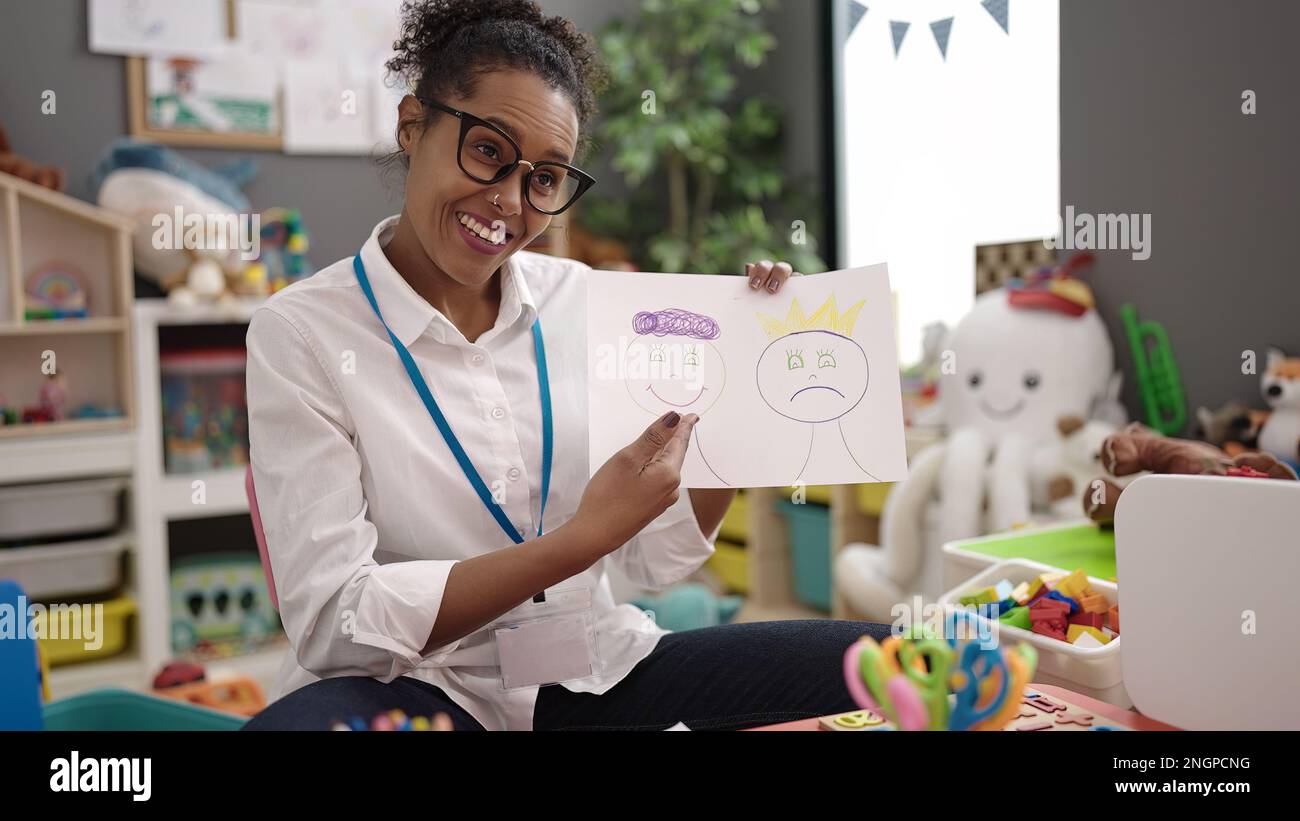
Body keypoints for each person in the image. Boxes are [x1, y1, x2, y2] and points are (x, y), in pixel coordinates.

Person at [242, 0, 889, 731]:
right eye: (488, 150)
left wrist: (745, 380)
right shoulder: (301, 332)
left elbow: (654, 562)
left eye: (545, 178)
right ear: (411, 124)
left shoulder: (584, 301)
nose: (511, 201)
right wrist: (578, 543)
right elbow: (336, 619)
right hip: (413, 685)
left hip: (589, 672)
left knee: (893, 662)